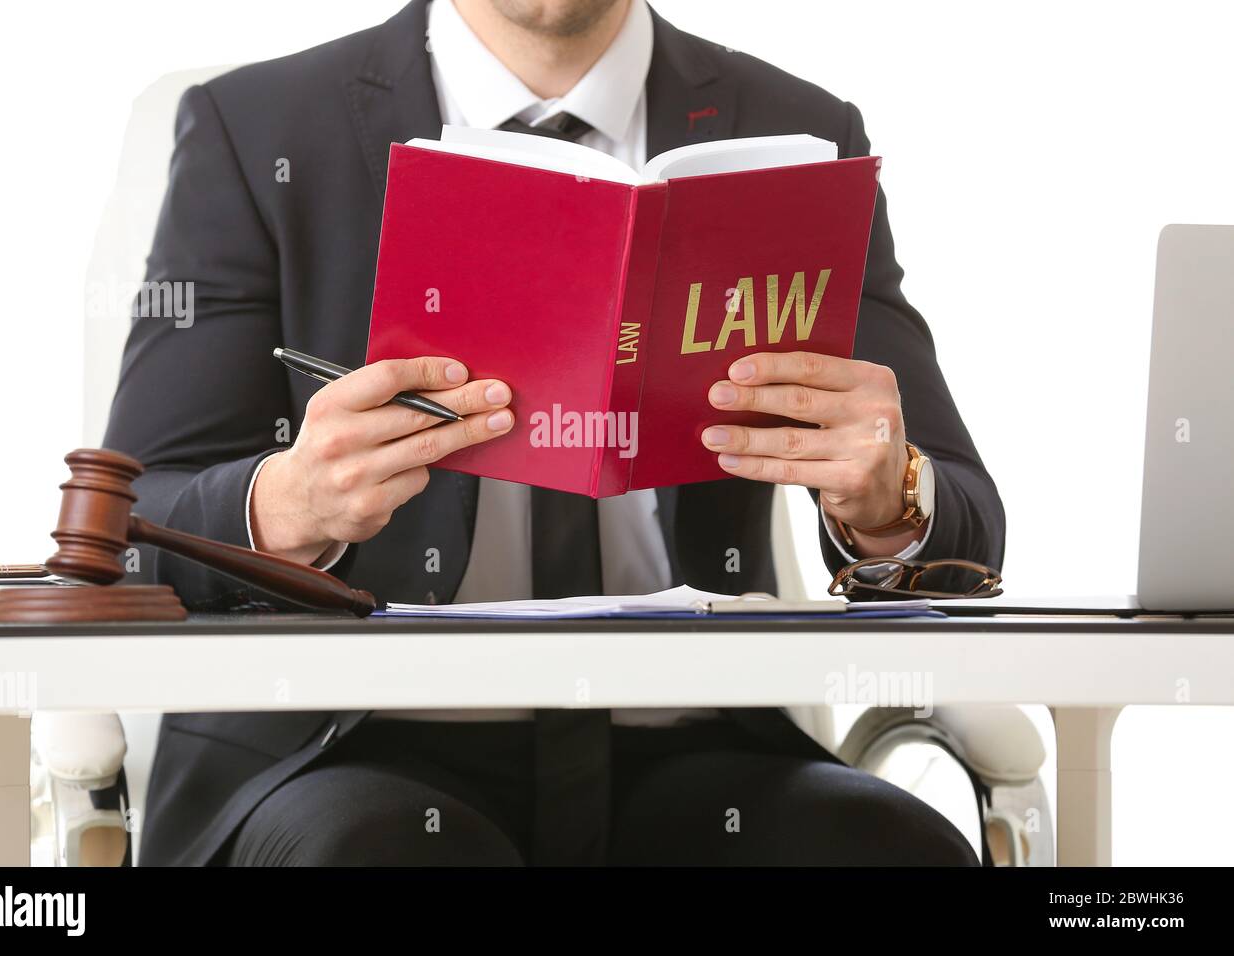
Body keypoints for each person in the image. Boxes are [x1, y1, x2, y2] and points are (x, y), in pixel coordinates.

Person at [106, 0, 1003, 866]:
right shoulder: (259, 127)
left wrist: (889, 496)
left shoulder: (799, 130)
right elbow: (128, 528)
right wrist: (285, 504)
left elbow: (968, 523)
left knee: (889, 851)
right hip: (345, 745)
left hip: (689, 747)